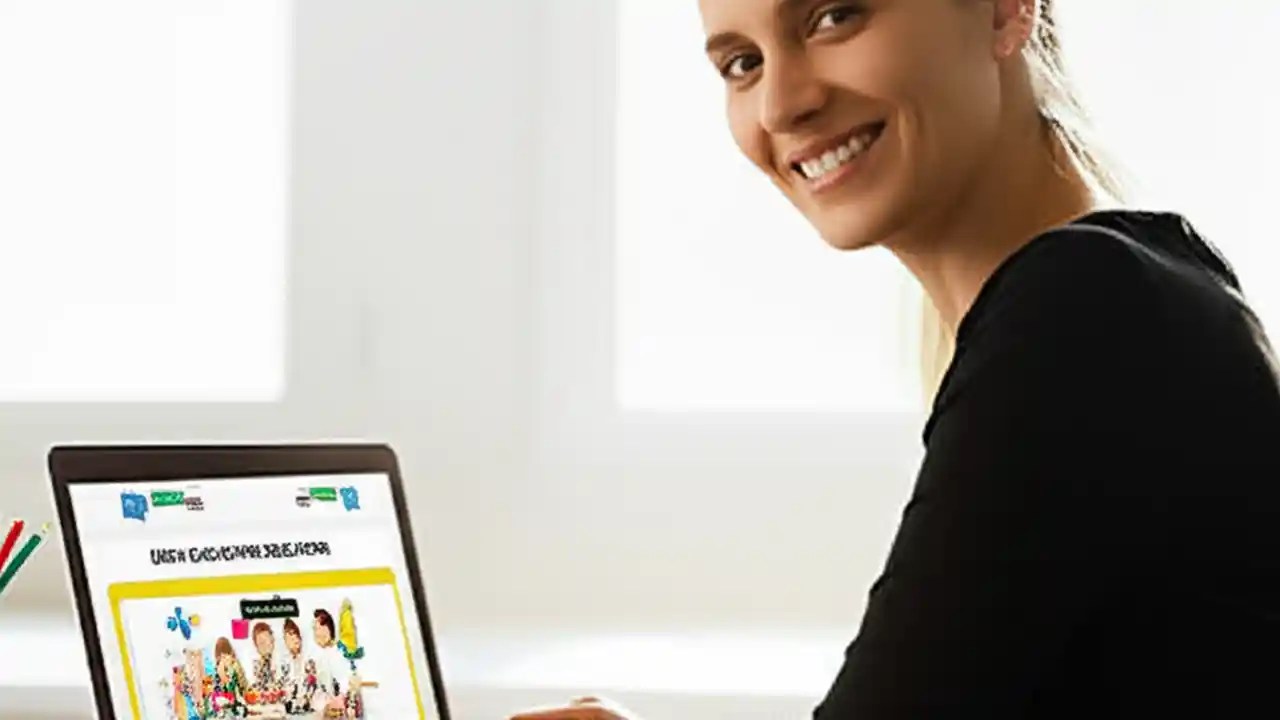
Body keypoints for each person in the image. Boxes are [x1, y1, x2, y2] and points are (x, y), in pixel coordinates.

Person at [510, 0, 1280, 718]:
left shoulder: (1087, 308)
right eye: (741, 63)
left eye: (834, 16)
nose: (781, 105)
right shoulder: (1145, 284)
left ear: (1006, 9)